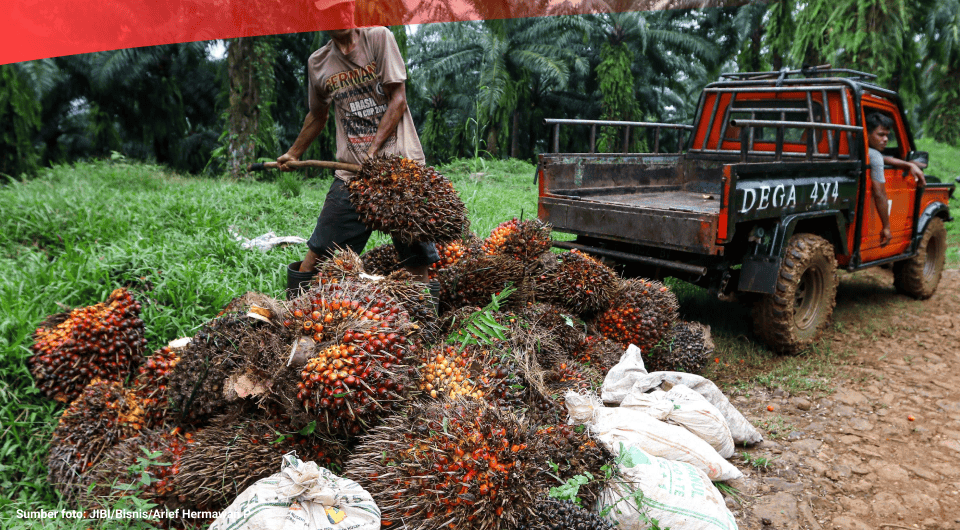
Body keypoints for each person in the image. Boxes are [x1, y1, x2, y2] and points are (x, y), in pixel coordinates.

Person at [278, 0, 439, 290]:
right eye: (330, 11)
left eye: (344, 6)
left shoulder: (378, 38)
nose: (340, 14)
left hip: (399, 166)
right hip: (352, 174)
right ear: (319, 19)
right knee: (318, 251)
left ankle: (424, 324)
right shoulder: (318, 63)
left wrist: (372, 152)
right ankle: (294, 316)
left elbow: (398, 100)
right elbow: (318, 114)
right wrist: (294, 152)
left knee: (416, 257)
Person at [865, 112, 926, 247]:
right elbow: (880, 193)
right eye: (881, 135)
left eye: (887, 135)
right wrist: (886, 227)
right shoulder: (874, 156)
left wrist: (909, 164)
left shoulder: (861, 149)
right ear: (867, 134)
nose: (885, 139)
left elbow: (882, 158)